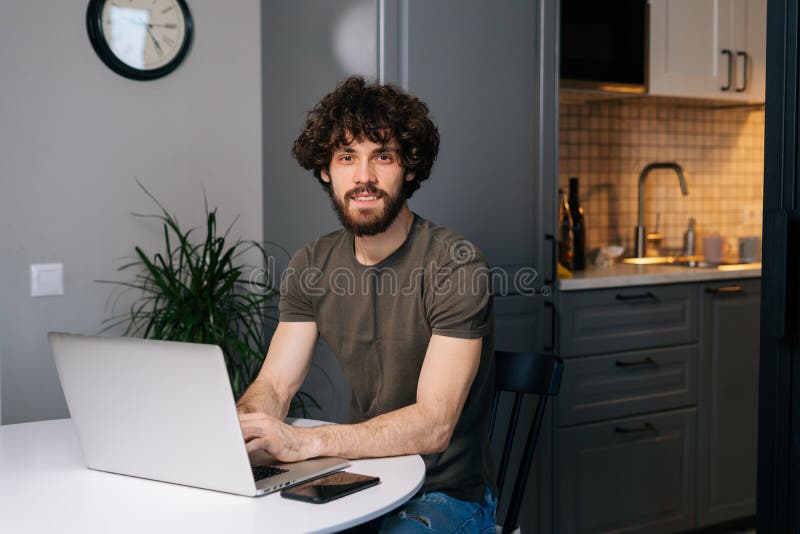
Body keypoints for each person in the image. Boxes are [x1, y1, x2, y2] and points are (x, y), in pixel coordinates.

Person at [237, 76, 496, 533]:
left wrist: (305, 442)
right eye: (346, 157)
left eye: (383, 156)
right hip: (362, 470)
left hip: (445, 493)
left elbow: (434, 425)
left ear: (409, 169)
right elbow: (275, 384)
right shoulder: (312, 263)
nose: (364, 177)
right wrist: (247, 427)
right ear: (325, 170)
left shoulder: (455, 262)